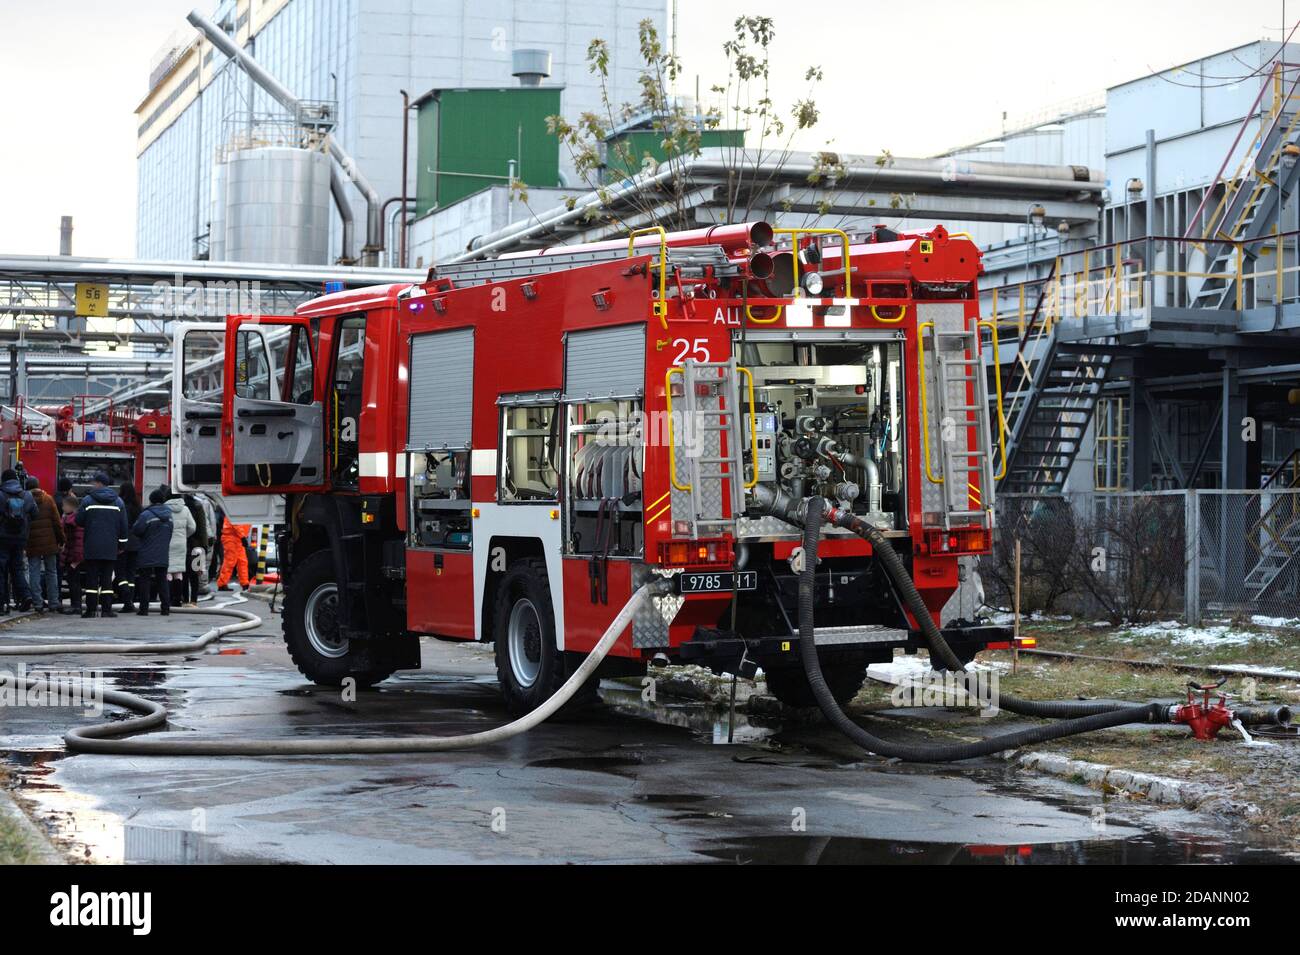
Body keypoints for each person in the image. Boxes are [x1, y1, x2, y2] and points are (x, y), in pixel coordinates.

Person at [75, 471, 128, 618]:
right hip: (110, 547)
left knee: (91, 578)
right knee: (107, 580)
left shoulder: (87, 500)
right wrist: (122, 546)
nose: (92, 484)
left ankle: (91, 610)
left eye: (94, 482)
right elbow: (124, 527)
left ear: (98, 483)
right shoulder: (118, 502)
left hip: (92, 545)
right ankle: (106, 610)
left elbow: (79, 520)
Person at [24, 476, 64, 612]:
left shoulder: (25, 500)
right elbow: (57, 522)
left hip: (32, 542)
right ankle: (53, 602)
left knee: (34, 571)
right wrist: (61, 540)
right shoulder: (48, 499)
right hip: (49, 542)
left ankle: (38, 603)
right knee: (51, 572)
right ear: (38, 485)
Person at [132, 488, 173, 616]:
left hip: (146, 552)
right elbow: (170, 532)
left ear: (151, 500)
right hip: (162, 553)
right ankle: (165, 609)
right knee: (162, 580)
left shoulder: (146, 515)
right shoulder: (169, 516)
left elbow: (137, 530)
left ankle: (144, 609)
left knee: (145, 581)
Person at [0, 467, 36, 613]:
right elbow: (35, 513)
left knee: (1, 570)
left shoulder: (1, 495)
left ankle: (2, 603)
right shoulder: (27, 495)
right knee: (18, 568)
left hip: (2, 537)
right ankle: (26, 595)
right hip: (20, 538)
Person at [113, 482, 142, 613]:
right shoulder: (138, 507)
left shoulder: (121, 505)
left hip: (123, 543)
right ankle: (129, 601)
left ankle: (126, 599)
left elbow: (119, 525)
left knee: (120, 574)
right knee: (131, 574)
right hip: (136, 545)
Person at [164, 492, 196, 606]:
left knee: (168, 571)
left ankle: (169, 598)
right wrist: (184, 535)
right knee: (178, 571)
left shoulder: (165, 508)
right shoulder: (185, 509)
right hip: (181, 543)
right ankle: (178, 599)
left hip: (167, 542)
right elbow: (193, 527)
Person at [59, 493, 84, 615]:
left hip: (73, 557)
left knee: (74, 582)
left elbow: (79, 542)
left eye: (64, 506)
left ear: (71, 507)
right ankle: (75, 605)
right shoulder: (68, 518)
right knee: (72, 581)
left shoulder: (74, 521)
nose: (62, 508)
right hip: (70, 555)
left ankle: (76, 605)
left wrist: (76, 560)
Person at [182, 493, 207, 606]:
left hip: (183, 543)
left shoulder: (183, 508)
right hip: (197, 545)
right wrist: (204, 546)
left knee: (184, 574)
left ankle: (185, 600)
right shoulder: (198, 506)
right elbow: (202, 528)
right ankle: (194, 601)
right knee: (195, 573)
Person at [217, 513, 251, 590]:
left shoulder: (240, 508)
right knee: (230, 561)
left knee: (242, 561)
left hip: (237, 537)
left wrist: (242, 537)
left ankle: (245, 583)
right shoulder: (236, 509)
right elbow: (236, 523)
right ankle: (222, 584)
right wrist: (243, 536)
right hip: (231, 537)